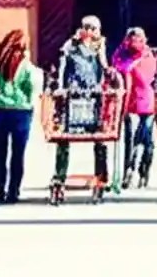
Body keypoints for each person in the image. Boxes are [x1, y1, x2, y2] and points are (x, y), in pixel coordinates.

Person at [52, 16, 112, 197]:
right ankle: (59, 178)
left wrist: (103, 59)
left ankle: (101, 176)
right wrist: (61, 89)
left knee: (99, 140)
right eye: (89, 28)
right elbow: (62, 67)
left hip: (93, 99)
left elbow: (105, 70)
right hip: (73, 98)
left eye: (96, 28)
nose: (93, 32)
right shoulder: (71, 48)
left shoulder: (99, 49)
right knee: (64, 139)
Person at [0, 30, 38, 204]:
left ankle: (1, 188)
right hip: (21, 113)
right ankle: (13, 191)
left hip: (0, 111)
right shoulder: (26, 66)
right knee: (18, 153)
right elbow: (33, 88)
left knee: (0, 152)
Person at [112, 27, 157, 189]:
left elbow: (150, 76)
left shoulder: (149, 55)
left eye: (141, 39)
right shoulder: (121, 54)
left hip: (147, 101)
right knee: (130, 139)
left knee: (147, 140)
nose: (138, 42)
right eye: (134, 39)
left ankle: (144, 171)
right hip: (129, 103)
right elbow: (119, 69)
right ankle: (128, 171)